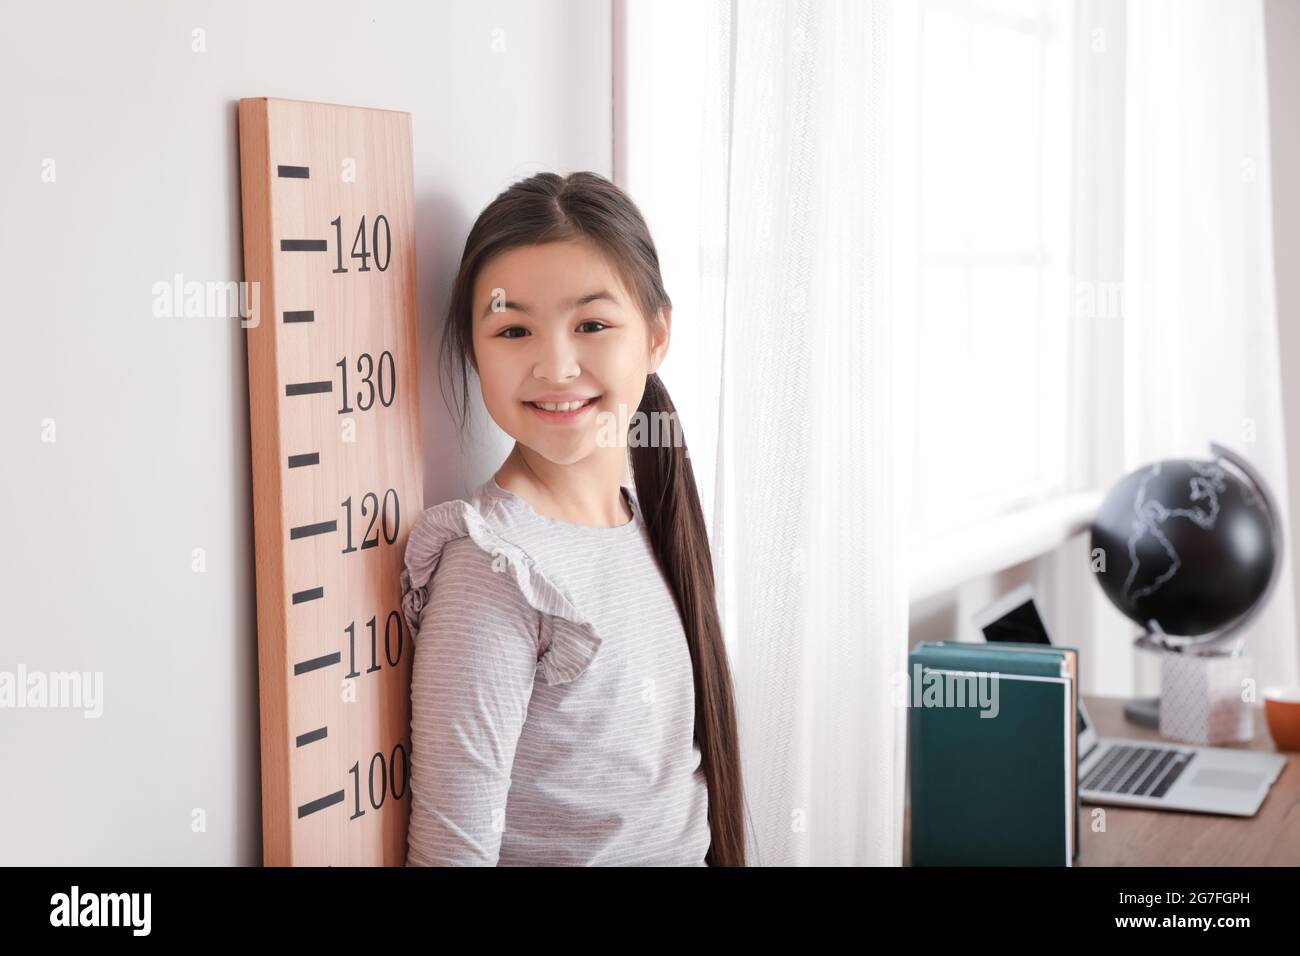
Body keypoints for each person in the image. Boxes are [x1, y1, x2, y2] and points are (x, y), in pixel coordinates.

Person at [400, 171, 745, 866]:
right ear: (474, 349)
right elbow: (451, 854)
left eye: (591, 324)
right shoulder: (494, 568)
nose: (555, 366)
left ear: (654, 337)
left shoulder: (647, 521)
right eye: (513, 329)